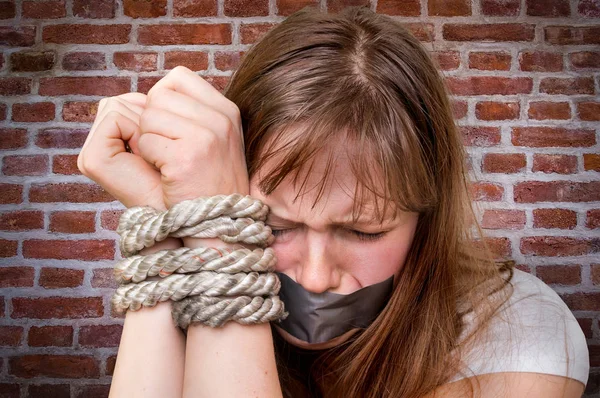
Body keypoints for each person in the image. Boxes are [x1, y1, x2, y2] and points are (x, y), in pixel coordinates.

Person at [77, 6, 590, 398]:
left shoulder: (523, 332)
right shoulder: (198, 259)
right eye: (274, 225)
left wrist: (220, 244)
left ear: (425, 217)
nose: (316, 278)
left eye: (364, 231)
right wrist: (169, 228)